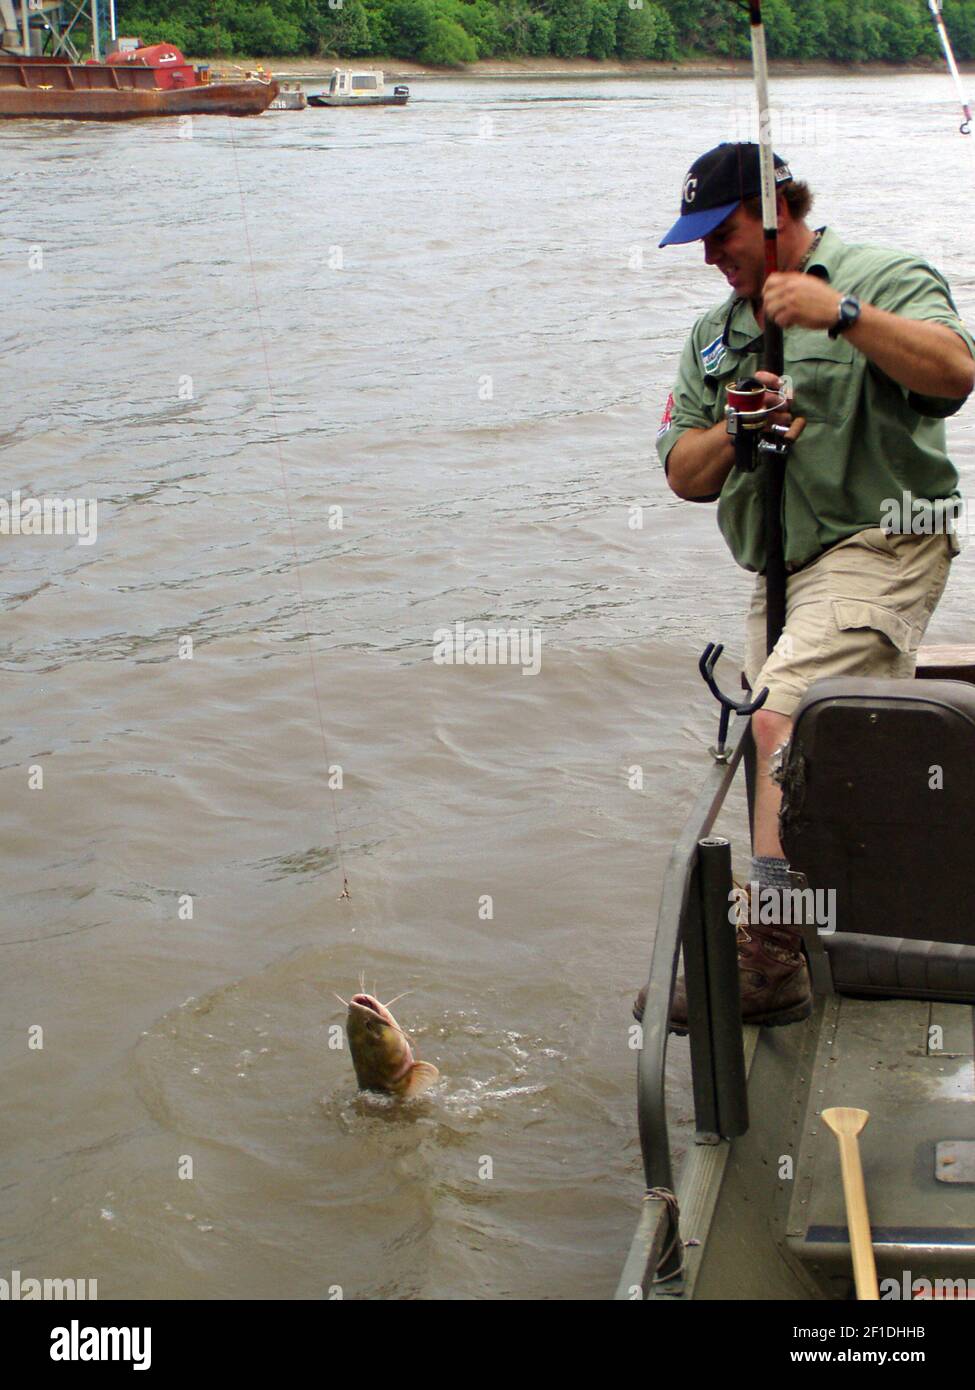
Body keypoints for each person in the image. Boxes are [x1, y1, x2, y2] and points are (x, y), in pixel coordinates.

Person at [638, 142, 975, 1031]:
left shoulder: (885, 275)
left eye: (725, 233)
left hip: (884, 538)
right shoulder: (714, 337)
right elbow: (682, 470)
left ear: (778, 207)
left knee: (790, 716)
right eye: (699, 243)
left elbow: (953, 373)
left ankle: (768, 959)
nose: (713, 256)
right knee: (797, 756)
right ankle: (844, 918)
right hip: (781, 567)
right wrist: (741, 430)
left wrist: (843, 315)